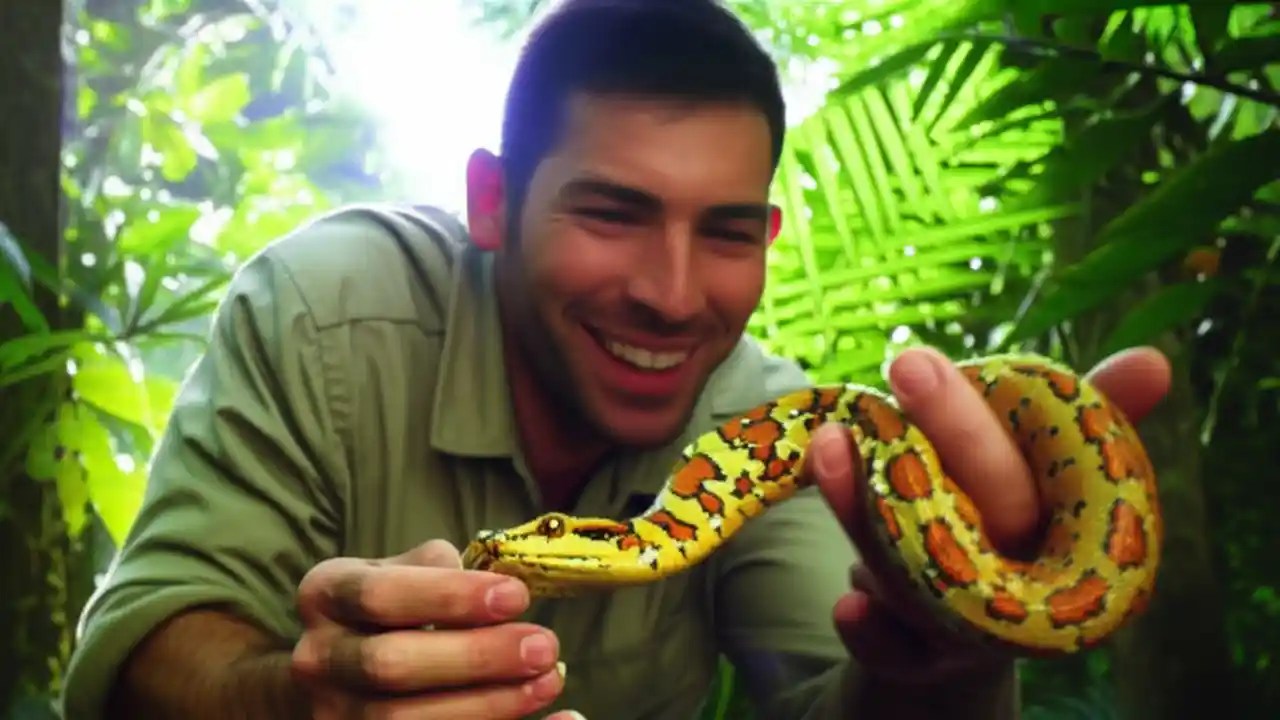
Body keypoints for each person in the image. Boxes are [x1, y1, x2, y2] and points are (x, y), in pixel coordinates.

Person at [61, 1, 1171, 718]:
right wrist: (306, 701)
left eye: (726, 231)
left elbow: (819, 698)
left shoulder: (786, 427)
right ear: (491, 202)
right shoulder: (326, 309)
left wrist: (945, 654)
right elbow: (152, 636)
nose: (672, 294)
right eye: (611, 212)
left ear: (766, 243)